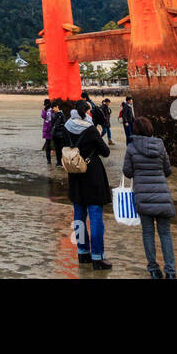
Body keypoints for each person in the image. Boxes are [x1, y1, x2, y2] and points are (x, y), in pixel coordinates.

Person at [122, 115, 175, 278]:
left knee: (148, 233)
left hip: (143, 198)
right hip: (163, 197)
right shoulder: (160, 145)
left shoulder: (131, 148)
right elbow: (168, 171)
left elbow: (128, 172)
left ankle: (153, 270)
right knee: (165, 233)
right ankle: (171, 272)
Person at [64, 100, 113, 269]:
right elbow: (105, 152)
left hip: (74, 174)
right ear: (85, 112)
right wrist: (97, 136)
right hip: (92, 174)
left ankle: (83, 253)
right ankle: (98, 257)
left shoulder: (67, 127)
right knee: (95, 216)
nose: (91, 114)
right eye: (90, 111)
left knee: (78, 216)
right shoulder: (90, 129)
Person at [40, 99, 55, 164]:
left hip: (47, 128)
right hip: (51, 128)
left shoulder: (45, 110)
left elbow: (43, 116)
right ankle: (51, 159)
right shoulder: (52, 110)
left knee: (48, 145)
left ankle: (49, 160)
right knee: (52, 144)